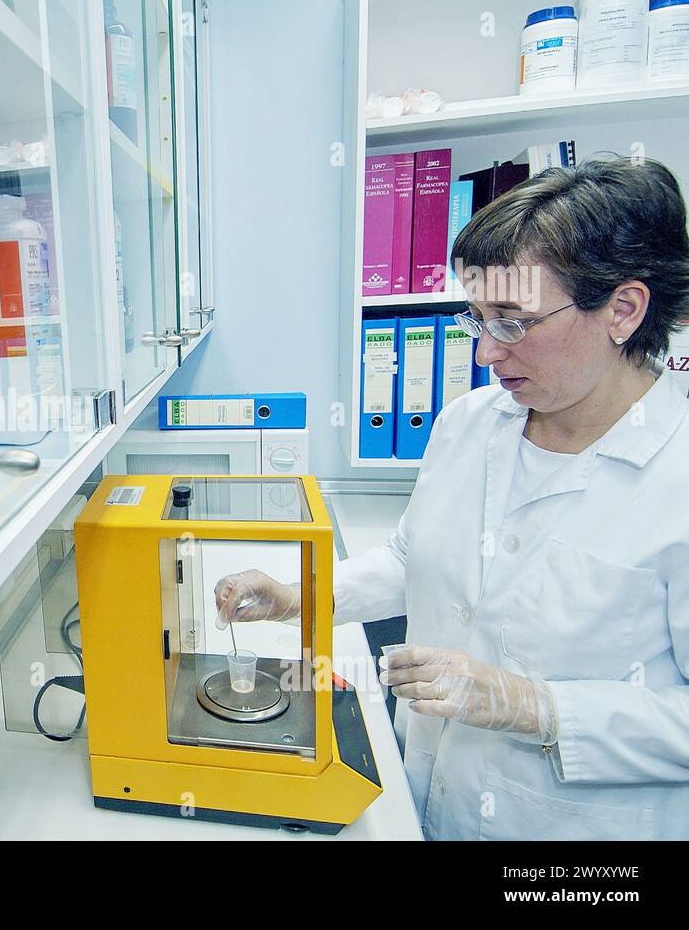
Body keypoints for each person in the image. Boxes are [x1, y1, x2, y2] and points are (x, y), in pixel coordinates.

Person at [214, 157, 689, 840]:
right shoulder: (471, 423)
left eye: (515, 321)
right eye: (478, 318)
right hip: (428, 799)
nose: (487, 353)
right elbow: (415, 561)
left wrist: (537, 708)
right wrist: (301, 595)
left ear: (622, 309)